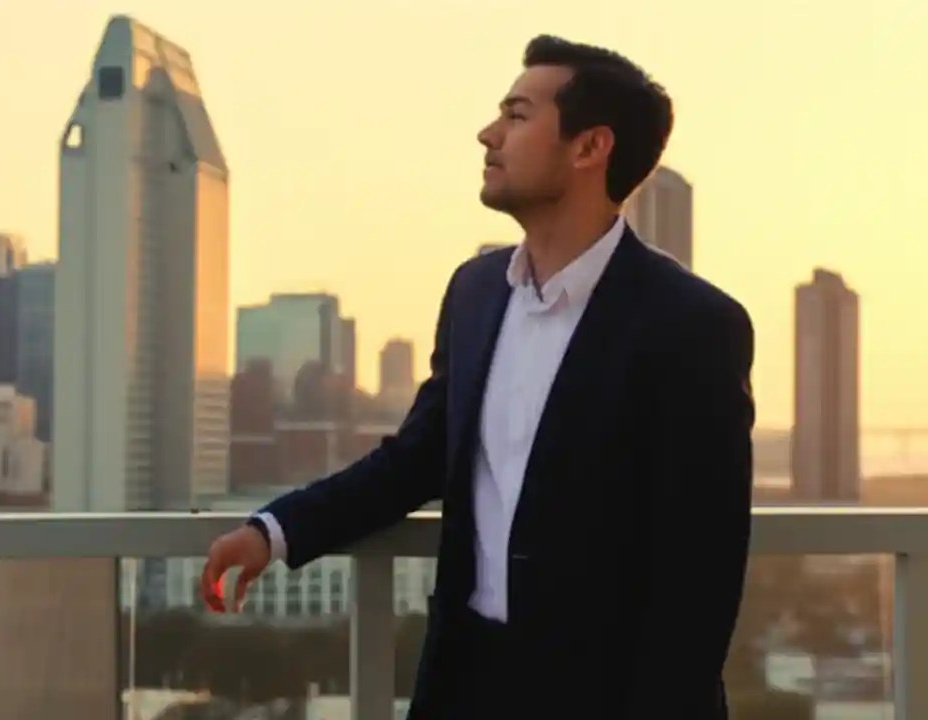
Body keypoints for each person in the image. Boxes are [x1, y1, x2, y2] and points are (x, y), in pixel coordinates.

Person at [201, 34, 754, 719]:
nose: (488, 134)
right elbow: (419, 457)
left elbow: (699, 573)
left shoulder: (692, 324)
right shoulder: (476, 293)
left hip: (610, 695)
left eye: (518, 116)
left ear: (590, 148)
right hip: (467, 683)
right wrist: (275, 531)